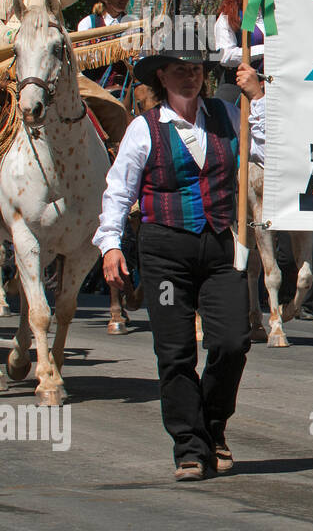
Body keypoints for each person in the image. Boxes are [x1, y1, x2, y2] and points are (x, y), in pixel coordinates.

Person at [95, 42, 265, 480]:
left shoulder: (229, 116)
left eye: (195, 70)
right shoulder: (143, 128)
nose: (189, 77)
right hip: (166, 250)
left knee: (232, 342)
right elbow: (120, 189)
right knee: (175, 352)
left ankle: (212, 425)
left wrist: (258, 98)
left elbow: (269, 146)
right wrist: (111, 243)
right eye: (178, 71)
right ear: (162, 80)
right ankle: (189, 446)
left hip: (221, 247)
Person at [214, 0, 265, 81]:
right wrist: (264, 50)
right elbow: (224, 56)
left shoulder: (270, 14)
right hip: (237, 85)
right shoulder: (227, 17)